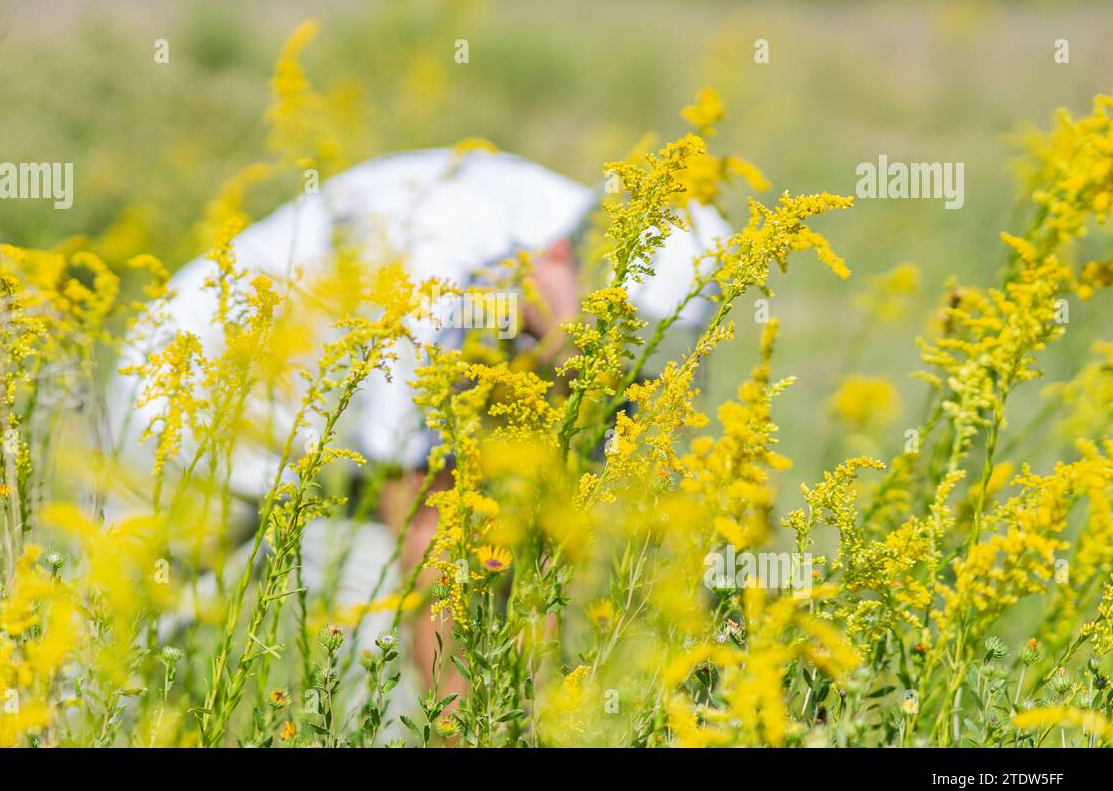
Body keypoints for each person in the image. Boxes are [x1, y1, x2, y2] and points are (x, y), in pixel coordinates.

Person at [107, 147, 731, 691]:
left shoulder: (593, 263)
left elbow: (538, 521)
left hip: (339, 443)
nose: (594, 382)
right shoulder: (444, 271)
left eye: (628, 372)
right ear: (561, 258)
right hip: (196, 396)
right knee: (121, 653)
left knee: (372, 676)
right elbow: (430, 524)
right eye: (592, 350)